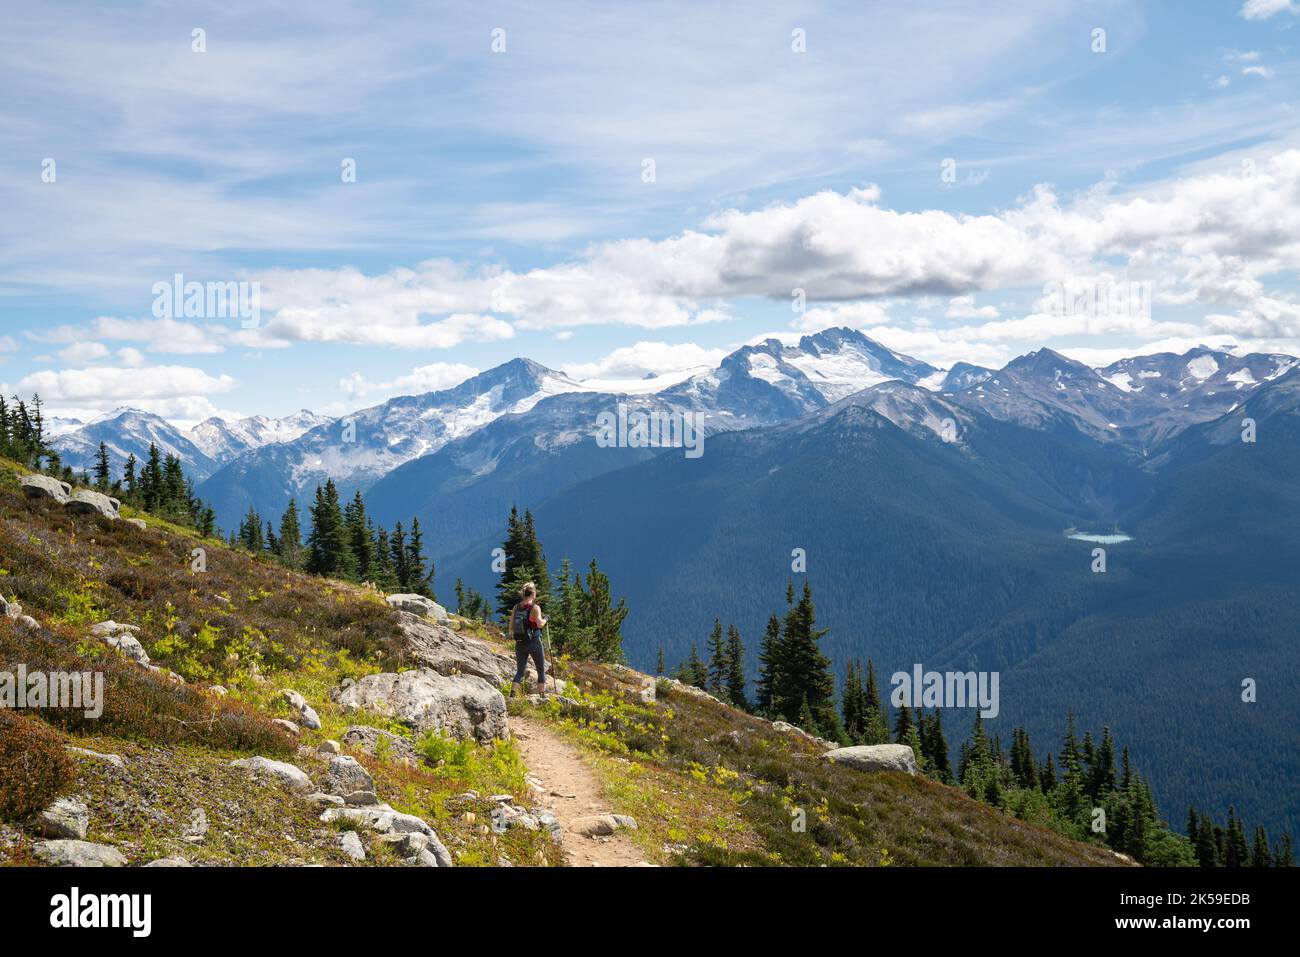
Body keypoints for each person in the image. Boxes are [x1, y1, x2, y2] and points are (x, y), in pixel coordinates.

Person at [510, 581, 548, 697]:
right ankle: (542, 696)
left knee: (520, 671)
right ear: (533, 593)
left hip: (520, 643)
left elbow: (511, 627)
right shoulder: (535, 607)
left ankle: (512, 695)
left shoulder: (516, 607)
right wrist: (546, 618)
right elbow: (540, 624)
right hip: (534, 642)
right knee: (540, 669)